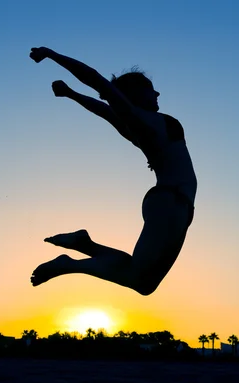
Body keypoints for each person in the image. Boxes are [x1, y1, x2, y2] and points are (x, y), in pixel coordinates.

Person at [29, 47, 197, 296]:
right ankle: (69, 264)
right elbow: (95, 80)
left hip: (173, 203)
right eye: (151, 88)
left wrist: (72, 94)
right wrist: (51, 54)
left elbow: (103, 109)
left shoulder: (136, 125)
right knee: (140, 280)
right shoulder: (147, 120)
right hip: (171, 202)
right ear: (136, 94)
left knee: (142, 281)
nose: (158, 92)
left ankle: (84, 245)